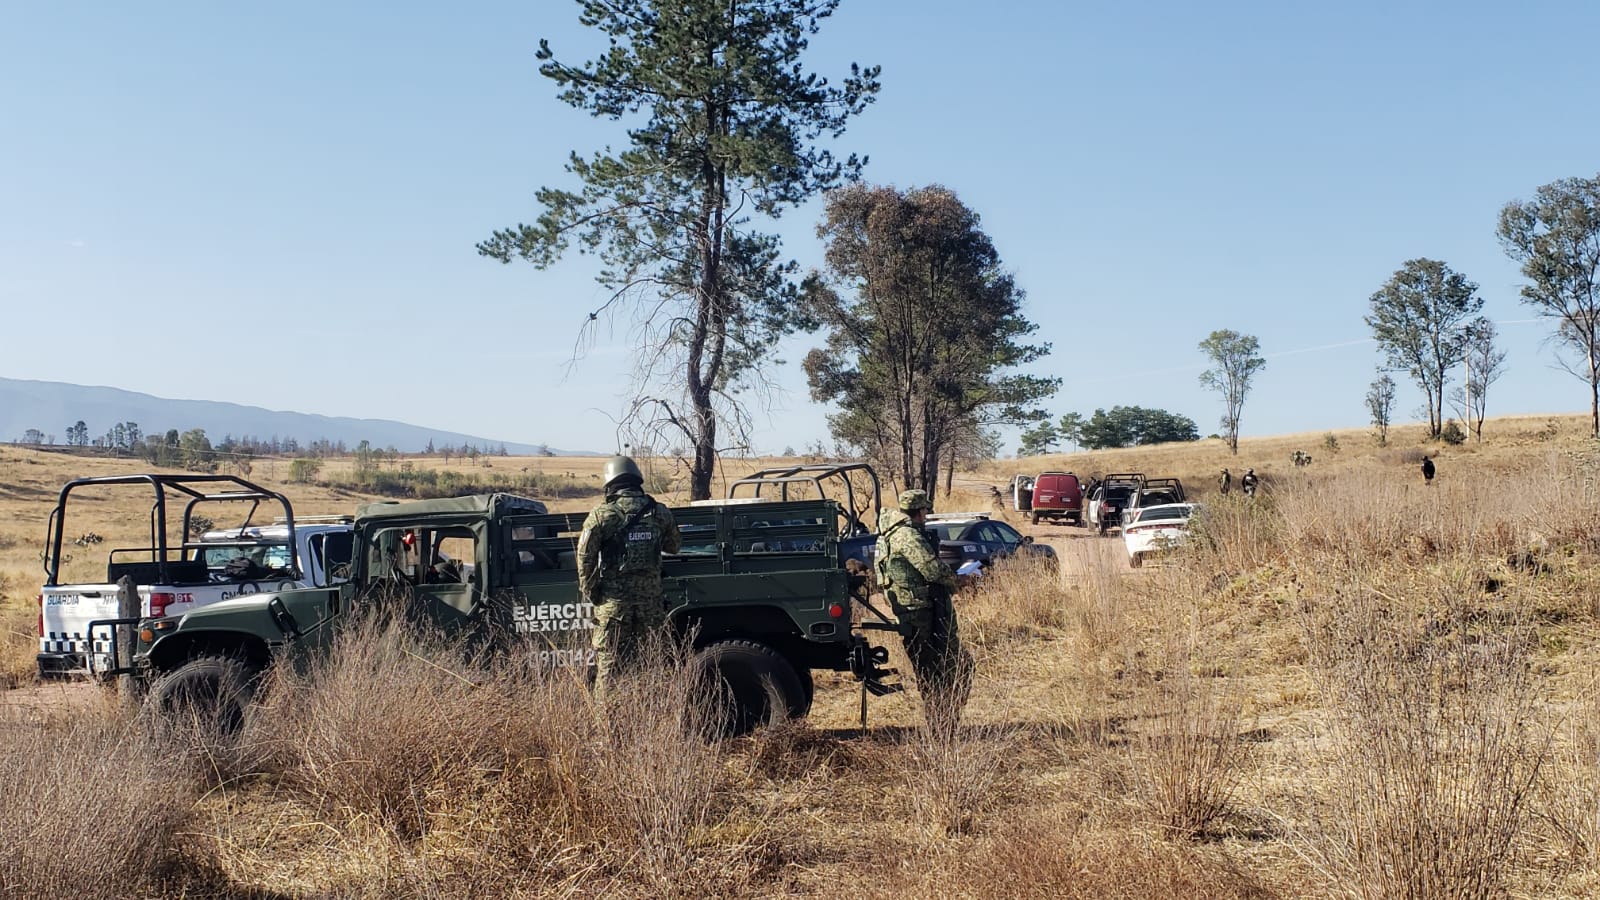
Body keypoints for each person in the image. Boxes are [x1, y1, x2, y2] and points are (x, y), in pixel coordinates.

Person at [577, 455, 681, 702]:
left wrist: (593, 593)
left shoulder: (602, 515)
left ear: (610, 483)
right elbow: (675, 546)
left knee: (608, 670)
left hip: (614, 604)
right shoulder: (659, 512)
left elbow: (585, 560)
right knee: (653, 664)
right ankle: (653, 722)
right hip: (651, 603)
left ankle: (608, 733)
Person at [874, 489, 972, 733]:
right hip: (922, 613)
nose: (927, 515)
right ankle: (943, 726)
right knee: (948, 670)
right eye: (926, 511)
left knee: (932, 672)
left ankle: (942, 723)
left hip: (912, 611)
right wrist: (960, 580)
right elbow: (932, 571)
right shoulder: (907, 537)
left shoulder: (886, 534)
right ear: (920, 511)